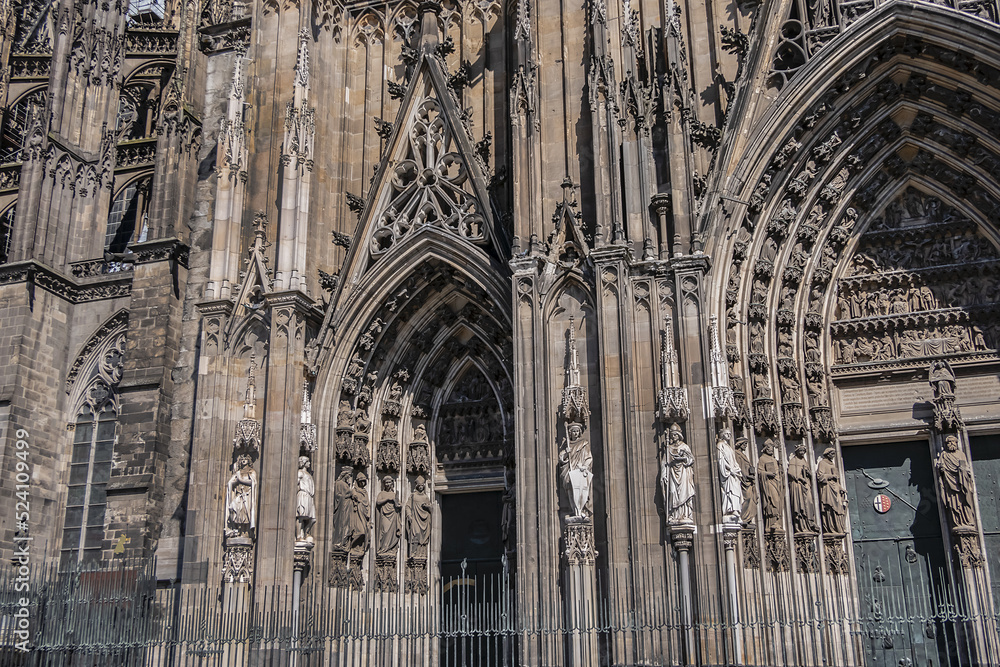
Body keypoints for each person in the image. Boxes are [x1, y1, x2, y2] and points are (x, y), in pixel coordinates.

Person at [936, 435, 976, 529]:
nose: (951, 444)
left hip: (962, 483)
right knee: (954, 503)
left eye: (953, 442)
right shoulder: (944, 454)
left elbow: (967, 469)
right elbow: (940, 468)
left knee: (965, 501)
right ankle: (957, 521)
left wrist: (963, 470)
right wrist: (941, 469)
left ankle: (968, 520)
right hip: (950, 484)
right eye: (949, 442)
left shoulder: (961, 454)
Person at [559, 422, 593, 521]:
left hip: (580, 471)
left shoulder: (584, 443)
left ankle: (581, 510)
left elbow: (588, 457)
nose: (576, 433)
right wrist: (566, 452)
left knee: (581, 491)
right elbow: (561, 458)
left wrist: (585, 466)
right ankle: (575, 510)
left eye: (577, 431)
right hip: (570, 471)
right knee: (571, 490)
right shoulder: (567, 444)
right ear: (570, 433)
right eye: (574, 431)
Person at [663, 424, 695, 524]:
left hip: (684, 473)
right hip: (673, 473)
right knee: (672, 492)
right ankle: (674, 515)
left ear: (679, 435)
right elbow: (664, 463)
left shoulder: (684, 447)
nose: (674, 437)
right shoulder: (669, 448)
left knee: (684, 493)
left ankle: (684, 514)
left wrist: (683, 459)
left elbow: (691, 459)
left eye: (675, 435)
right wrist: (664, 475)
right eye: (672, 435)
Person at [815, 447, 847, 534]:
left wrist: (841, 488)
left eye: (834, 454)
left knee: (839, 509)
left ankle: (839, 528)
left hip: (835, 489)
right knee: (830, 509)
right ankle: (831, 528)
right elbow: (820, 477)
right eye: (832, 454)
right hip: (828, 489)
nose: (833, 456)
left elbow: (836, 481)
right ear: (827, 454)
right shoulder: (822, 463)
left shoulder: (832, 464)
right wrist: (830, 476)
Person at [787, 443, 818, 534]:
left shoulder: (805, 461)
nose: (802, 453)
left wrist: (808, 473)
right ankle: (801, 525)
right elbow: (791, 473)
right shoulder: (793, 461)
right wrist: (799, 478)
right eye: (800, 451)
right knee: (800, 505)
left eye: (803, 451)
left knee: (809, 502)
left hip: (806, 486)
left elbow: (811, 475)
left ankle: (810, 522)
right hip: (798, 487)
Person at [226, 454, 257, 538]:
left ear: (249, 461)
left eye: (245, 459)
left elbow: (253, 482)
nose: (243, 460)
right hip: (239, 494)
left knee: (245, 513)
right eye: (242, 459)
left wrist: (240, 480)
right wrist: (234, 482)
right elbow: (230, 482)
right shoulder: (238, 472)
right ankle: (237, 529)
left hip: (247, 495)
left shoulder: (251, 471)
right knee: (234, 508)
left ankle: (245, 532)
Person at [717, 429, 743, 524]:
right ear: (722, 435)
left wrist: (737, 468)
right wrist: (730, 469)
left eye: (730, 434)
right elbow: (721, 461)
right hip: (728, 473)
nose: (729, 435)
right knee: (730, 491)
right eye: (726, 433)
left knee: (736, 490)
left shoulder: (729, 447)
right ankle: (731, 510)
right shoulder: (720, 445)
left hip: (733, 473)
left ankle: (736, 510)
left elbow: (733, 460)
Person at [758, 440, 784, 532]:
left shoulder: (774, 459)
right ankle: (771, 523)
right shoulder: (762, 459)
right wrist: (767, 473)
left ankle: (777, 522)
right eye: (769, 448)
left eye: (772, 448)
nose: (771, 450)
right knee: (773, 501)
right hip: (769, 483)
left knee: (778, 502)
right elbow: (759, 471)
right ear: (765, 449)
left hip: (777, 483)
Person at [405, 476, 432, 559]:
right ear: (417, 486)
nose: (421, 487)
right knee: (415, 534)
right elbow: (407, 506)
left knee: (423, 537)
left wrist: (427, 507)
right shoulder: (413, 496)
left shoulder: (426, 497)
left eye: (422, 485)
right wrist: (409, 515)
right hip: (415, 519)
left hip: (424, 520)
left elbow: (431, 508)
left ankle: (422, 553)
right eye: (419, 485)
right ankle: (414, 553)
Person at [375, 476, 401, 556]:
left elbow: (399, 505)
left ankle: (390, 549)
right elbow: (378, 502)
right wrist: (387, 499)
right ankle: (383, 549)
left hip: (393, 516)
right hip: (384, 516)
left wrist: (398, 505)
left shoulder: (394, 494)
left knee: (392, 533)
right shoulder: (381, 494)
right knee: (385, 531)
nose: (387, 484)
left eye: (389, 482)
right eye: (386, 483)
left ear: (392, 483)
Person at [296, 456, 316, 543]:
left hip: (309, 496)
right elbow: (295, 483)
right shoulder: (300, 472)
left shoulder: (308, 474)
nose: (309, 463)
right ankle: (298, 535)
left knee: (312, 519)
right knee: (301, 516)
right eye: (308, 462)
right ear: (303, 463)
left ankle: (305, 532)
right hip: (303, 495)